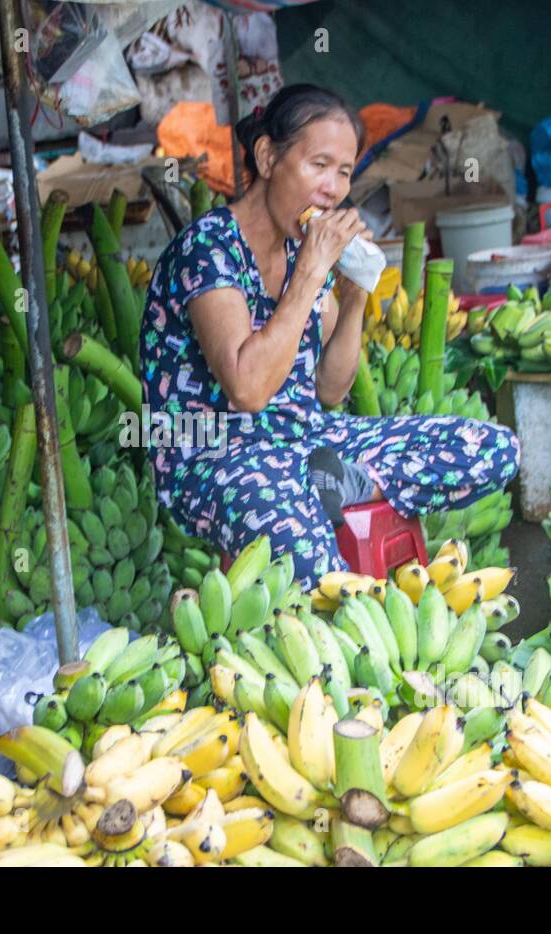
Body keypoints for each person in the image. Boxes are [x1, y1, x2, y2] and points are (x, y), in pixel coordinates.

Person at [139, 83, 519, 589]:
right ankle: (325, 501)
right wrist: (312, 272)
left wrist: (355, 290)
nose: (334, 189)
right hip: (216, 458)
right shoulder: (209, 249)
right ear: (268, 157)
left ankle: (348, 484)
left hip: (306, 442)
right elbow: (248, 389)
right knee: (323, 574)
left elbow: (331, 389)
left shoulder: (302, 249)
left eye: (344, 172)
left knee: (490, 448)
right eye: (319, 165)